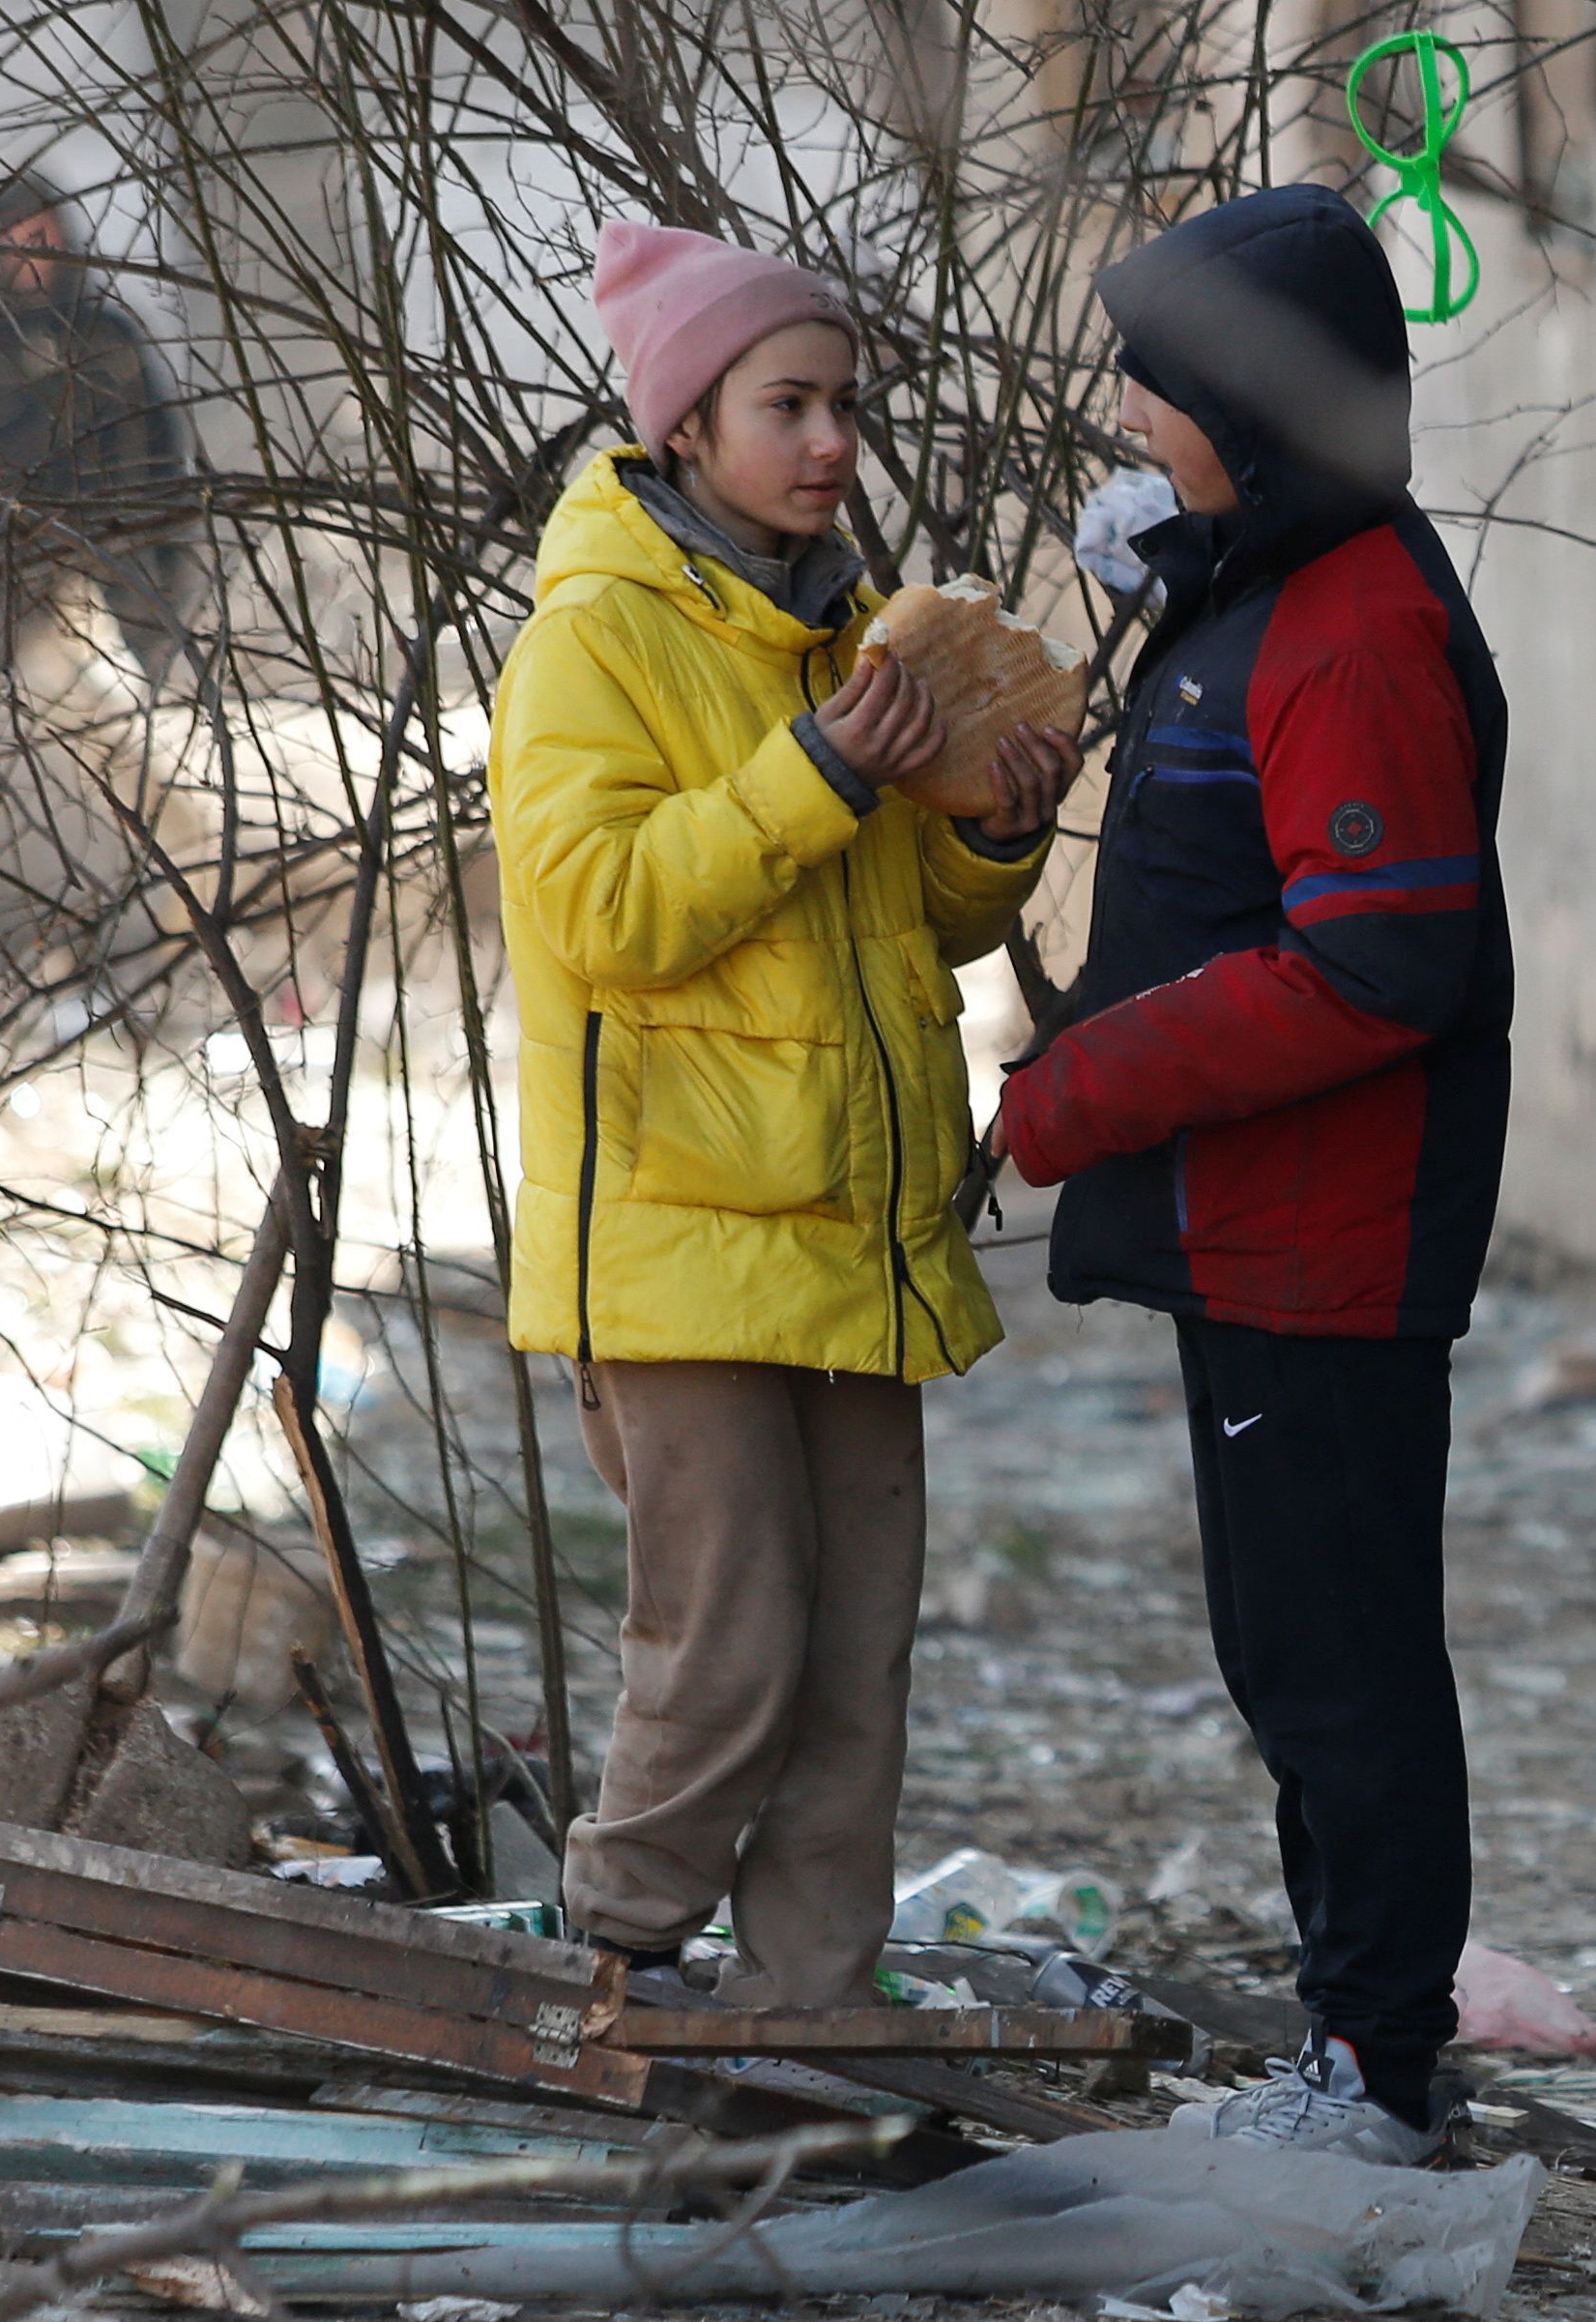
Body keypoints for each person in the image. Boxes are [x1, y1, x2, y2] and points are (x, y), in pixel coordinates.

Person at [488, 221, 1076, 2002]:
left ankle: (810, 2006)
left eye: (842, 406)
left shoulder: (847, 636)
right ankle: (627, 1960)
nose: (828, 442)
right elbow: (605, 911)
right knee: (725, 1642)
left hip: (853, 1236)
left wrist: (987, 831)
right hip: (677, 1247)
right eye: (785, 405)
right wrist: (818, 771)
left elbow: (910, 924)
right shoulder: (592, 643)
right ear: (683, 428)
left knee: (852, 1656)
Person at [993, 184, 1510, 2164]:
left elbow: (1381, 954)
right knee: (1290, 1647)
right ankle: (1359, 2045)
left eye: (1163, 382)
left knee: (1338, 1655)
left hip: (1329, 1234)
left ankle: (1378, 2072)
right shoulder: (1271, 585)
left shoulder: (1359, 619)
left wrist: (1085, 1085)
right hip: (1255, 1237)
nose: (1128, 410)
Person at [0, 169, 203, 683]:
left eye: (39, 232)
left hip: (109, 563)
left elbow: (157, 462)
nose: (29, 248)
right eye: (12, 235)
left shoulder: (109, 341)